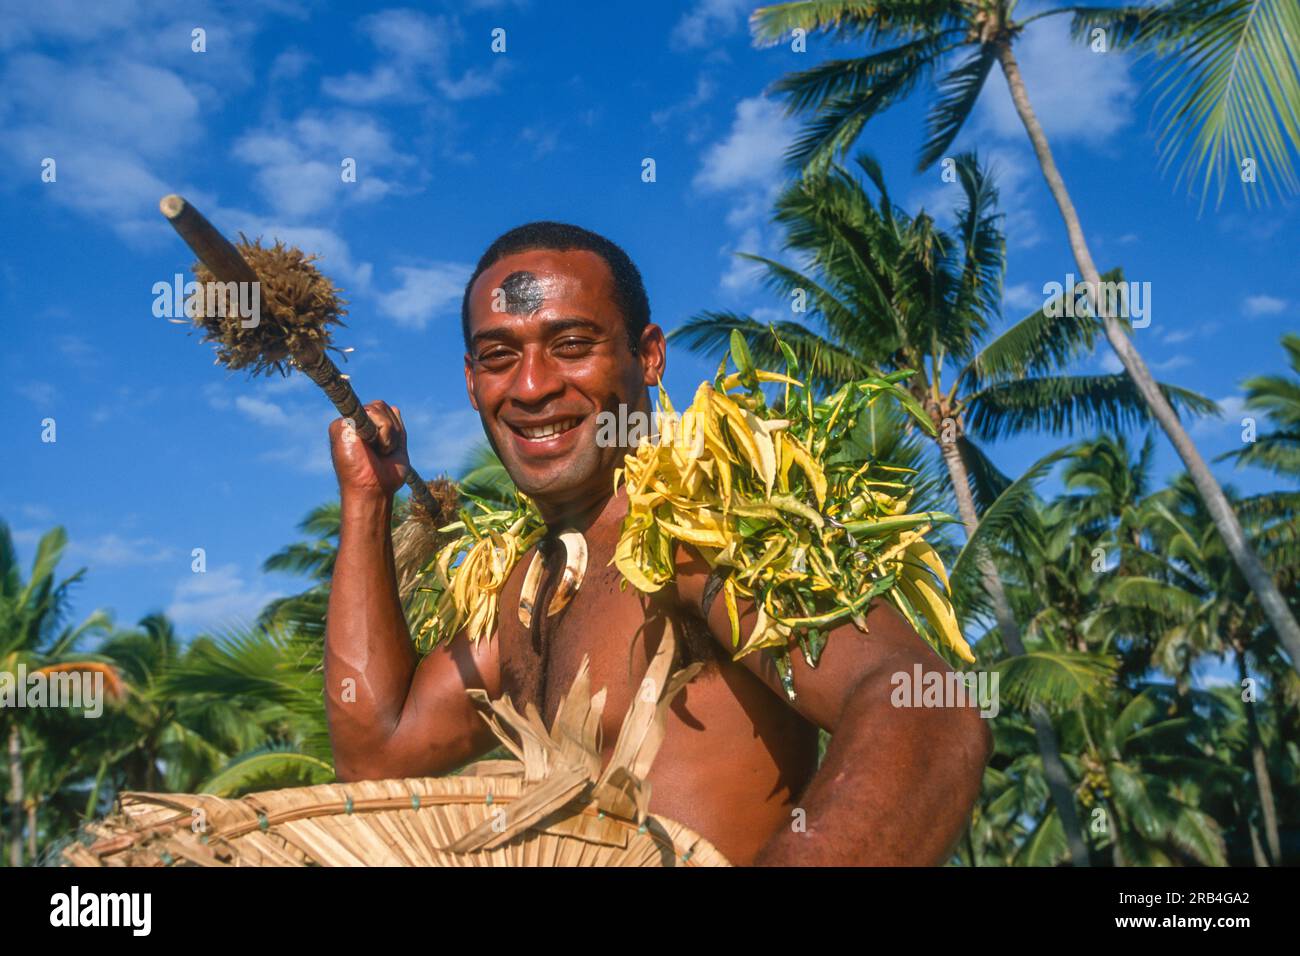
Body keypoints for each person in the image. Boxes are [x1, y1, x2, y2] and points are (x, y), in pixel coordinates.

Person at [322, 222, 991, 866]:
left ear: (648, 355)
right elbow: (379, 755)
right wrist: (366, 497)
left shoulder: (700, 529)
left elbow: (922, 704)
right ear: (473, 382)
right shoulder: (521, 588)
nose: (532, 386)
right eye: (501, 357)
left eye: (572, 345)